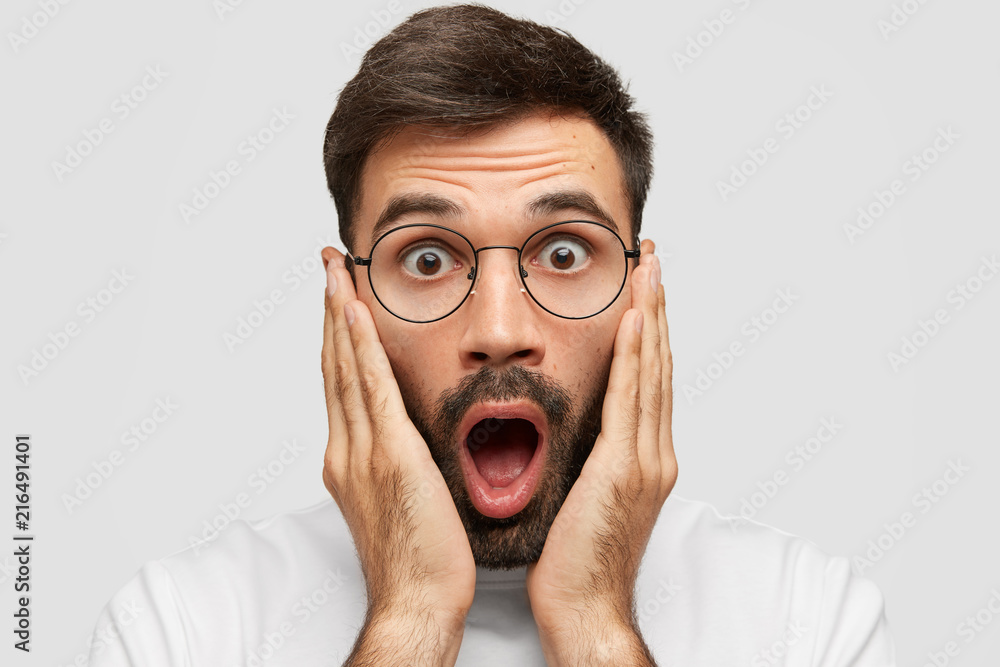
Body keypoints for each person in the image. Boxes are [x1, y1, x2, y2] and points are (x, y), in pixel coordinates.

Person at [89, 5, 896, 665]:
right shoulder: (179, 627)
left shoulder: (811, 617)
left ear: (642, 291)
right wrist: (409, 620)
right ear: (348, 300)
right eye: (429, 257)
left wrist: (594, 627)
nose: (501, 331)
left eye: (565, 251)